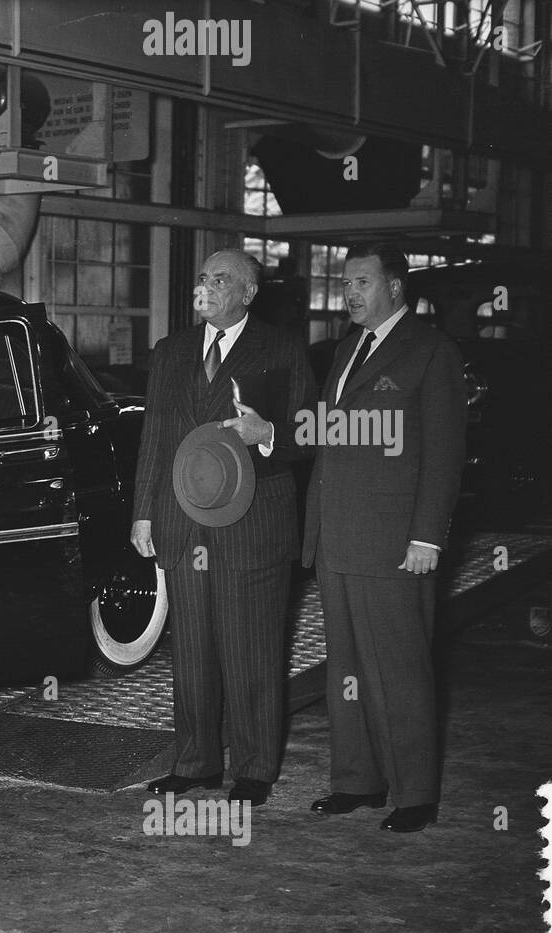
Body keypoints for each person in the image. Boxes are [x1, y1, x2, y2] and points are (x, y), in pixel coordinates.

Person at [131, 249, 317, 806]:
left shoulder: (282, 349)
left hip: (251, 524)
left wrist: (267, 433)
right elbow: (156, 438)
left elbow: (307, 435)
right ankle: (195, 763)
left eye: (219, 280)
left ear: (247, 293)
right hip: (183, 520)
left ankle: (255, 769)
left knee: (251, 650)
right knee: (190, 651)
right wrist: (143, 512)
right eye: (201, 278)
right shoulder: (170, 352)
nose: (204, 288)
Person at [304, 243, 466, 833]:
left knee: (399, 669)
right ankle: (357, 781)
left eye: (362, 282)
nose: (350, 292)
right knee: (344, 668)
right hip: (338, 539)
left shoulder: (431, 351)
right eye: (347, 282)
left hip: (394, 541)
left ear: (396, 288)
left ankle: (415, 793)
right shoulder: (347, 350)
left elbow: (445, 454)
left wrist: (427, 536)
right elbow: (328, 442)